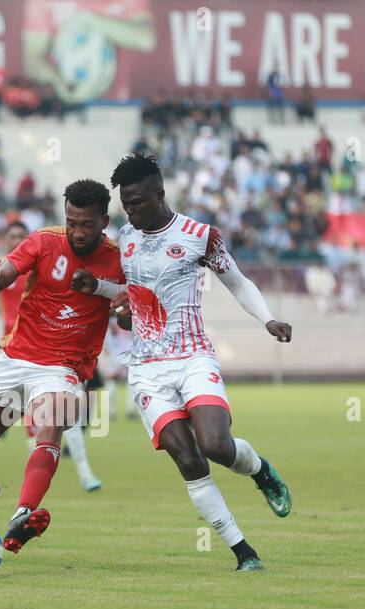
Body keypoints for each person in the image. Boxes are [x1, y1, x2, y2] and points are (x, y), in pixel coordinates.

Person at [96, 152, 293, 572]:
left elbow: (237, 282)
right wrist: (108, 297)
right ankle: (244, 553)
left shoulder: (199, 235)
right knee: (189, 460)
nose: (131, 210)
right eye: (125, 203)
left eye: (137, 201)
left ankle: (259, 470)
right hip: (146, 370)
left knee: (217, 447)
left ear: (159, 193)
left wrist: (268, 318)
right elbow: (129, 294)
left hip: (193, 358)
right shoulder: (125, 238)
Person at [0, 179, 124, 554]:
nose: (77, 232)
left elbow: (131, 313)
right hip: (15, 358)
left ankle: (23, 513)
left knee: (49, 430)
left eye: (86, 225)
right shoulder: (44, 241)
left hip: (64, 368)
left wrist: (107, 294)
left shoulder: (118, 258)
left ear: (104, 221)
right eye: (71, 222)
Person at [0, 219, 103, 490]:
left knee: (62, 415)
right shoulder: (3, 267)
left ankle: (84, 471)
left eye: (22, 235)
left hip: (51, 352)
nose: (17, 240)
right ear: (5, 239)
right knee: (27, 420)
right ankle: (35, 482)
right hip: (14, 352)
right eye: (13, 236)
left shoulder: (39, 261)